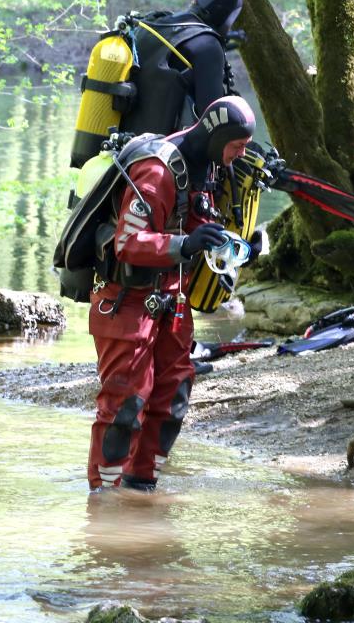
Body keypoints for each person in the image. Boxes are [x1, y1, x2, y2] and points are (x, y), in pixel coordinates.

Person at [88, 96, 258, 492]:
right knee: (125, 402)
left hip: (171, 300)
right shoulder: (156, 171)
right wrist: (186, 243)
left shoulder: (207, 164)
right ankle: (105, 504)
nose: (241, 154)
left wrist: (221, 240)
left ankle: (141, 486)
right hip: (127, 300)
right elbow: (128, 242)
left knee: (174, 394)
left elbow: (191, 217)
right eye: (238, 145)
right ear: (217, 136)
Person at [132, 0, 245, 128]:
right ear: (226, 16)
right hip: (165, 147)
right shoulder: (208, 45)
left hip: (120, 138)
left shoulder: (155, 25)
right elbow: (214, 119)